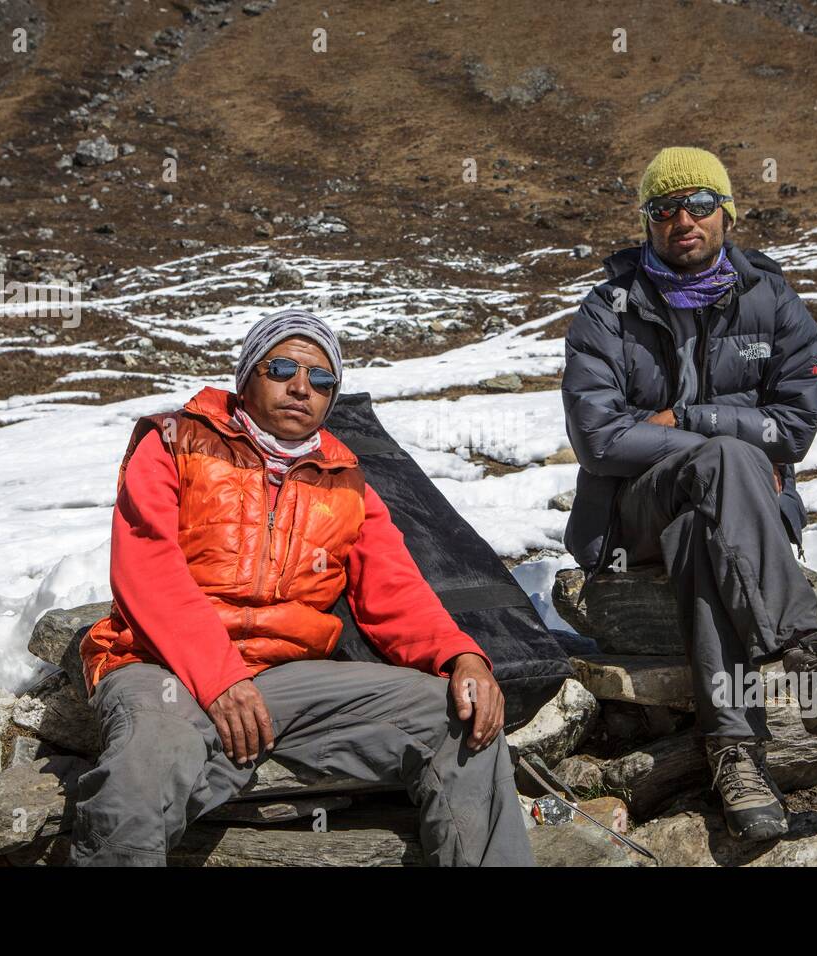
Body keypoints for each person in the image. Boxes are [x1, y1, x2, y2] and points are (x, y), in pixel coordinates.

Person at [69, 308, 535, 867]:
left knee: (458, 721)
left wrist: (462, 657)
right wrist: (218, 680)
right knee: (146, 760)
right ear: (246, 377)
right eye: (283, 367)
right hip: (160, 666)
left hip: (283, 681)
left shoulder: (345, 479)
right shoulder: (175, 440)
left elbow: (395, 590)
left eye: (321, 379)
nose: (301, 386)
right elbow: (148, 569)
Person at [561, 147, 817, 843]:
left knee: (703, 532)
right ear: (648, 223)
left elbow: (793, 429)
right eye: (663, 208)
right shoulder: (608, 308)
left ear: (726, 210)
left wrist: (692, 422)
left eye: (698, 203)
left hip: (720, 512)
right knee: (727, 461)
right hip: (634, 509)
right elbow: (600, 439)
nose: (681, 219)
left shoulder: (772, 299)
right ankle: (814, 656)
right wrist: (723, 443)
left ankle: (738, 760)